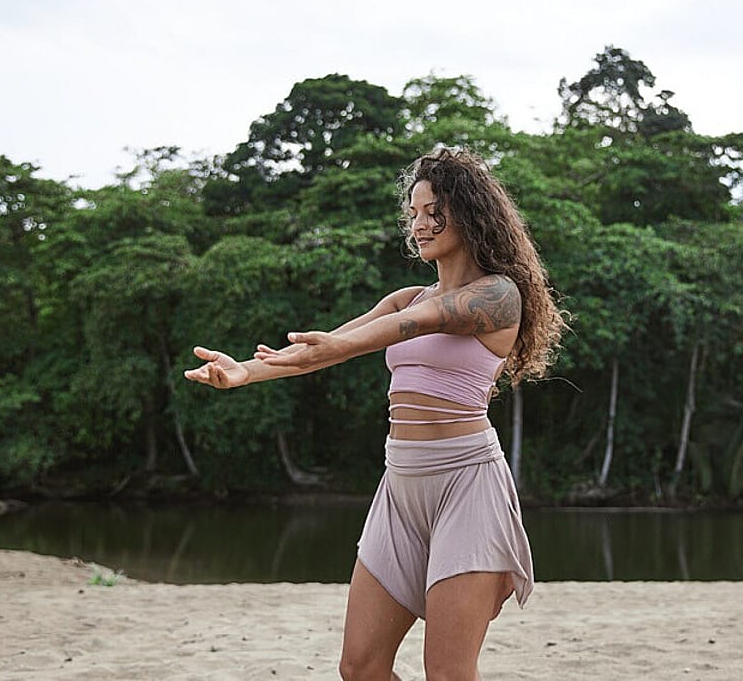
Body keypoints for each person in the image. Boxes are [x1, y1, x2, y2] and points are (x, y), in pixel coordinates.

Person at [184, 147, 565, 681]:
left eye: (433, 211)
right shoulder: (405, 297)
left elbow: (407, 327)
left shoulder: (497, 296)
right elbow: (327, 344)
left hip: (466, 484)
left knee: (449, 673)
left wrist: (334, 349)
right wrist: (246, 372)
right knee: (360, 666)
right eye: (414, 213)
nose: (420, 225)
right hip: (400, 487)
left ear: (471, 212)